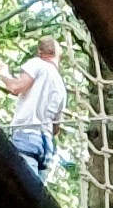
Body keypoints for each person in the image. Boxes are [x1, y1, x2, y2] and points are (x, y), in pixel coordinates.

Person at [4, 36, 68, 174]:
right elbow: (56, 127)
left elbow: (16, 87)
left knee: (22, 187)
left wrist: (1, 71)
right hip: (46, 145)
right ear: (58, 55)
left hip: (27, 136)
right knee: (35, 192)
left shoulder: (37, 64)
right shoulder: (61, 85)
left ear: (40, 52)